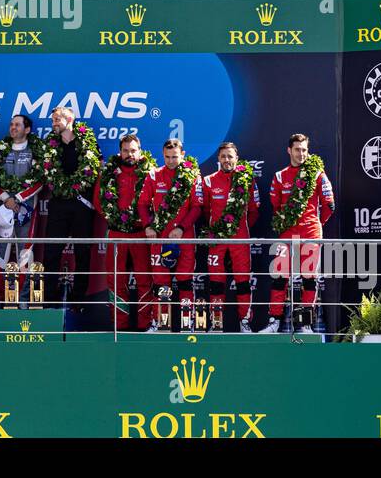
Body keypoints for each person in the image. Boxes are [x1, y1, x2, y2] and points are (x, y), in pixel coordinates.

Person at [261, 133, 334, 334]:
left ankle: (305, 324)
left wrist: (316, 224)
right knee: (280, 277)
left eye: (304, 150)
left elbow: (329, 205)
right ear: (289, 150)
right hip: (287, 234)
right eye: (297, 150)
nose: (301, 154)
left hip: (310, 233)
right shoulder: (279, 176)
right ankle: (274, 322)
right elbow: (275, 207)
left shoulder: (317, 174)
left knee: (309, 277)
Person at [41, 106, 102, 311]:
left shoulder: (87, 142)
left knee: (82, 253)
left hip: (82, 205)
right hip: (58, 203)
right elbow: (47, 171)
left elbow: (94, 170)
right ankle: (49, 300)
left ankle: (78, 302)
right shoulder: (51, 144)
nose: (54, 124)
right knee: (51, 252)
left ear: (70, 119)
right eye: (53, 121)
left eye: (57, 120)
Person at [138, 139, 203, 329]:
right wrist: (148, 226)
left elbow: (197, 207)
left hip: (184, 238)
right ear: (162, 154)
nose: (171, 161)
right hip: (159, 238)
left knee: (185, 283)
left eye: (175, 157)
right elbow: (142, 204)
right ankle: (160, 324)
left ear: (183, 154)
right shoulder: (153, 175)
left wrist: (181, 228)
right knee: (161, 286)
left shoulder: (192, 176)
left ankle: (187, 323)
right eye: (167, 157)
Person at [95, 134, 156, 331]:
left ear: (140, 151)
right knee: (116, 281)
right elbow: (98, 201)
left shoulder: (150, 173)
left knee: (145, 281)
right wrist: (113, 218)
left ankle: (145, 326)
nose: (129, 154)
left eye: (133, 150)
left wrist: (145, 223)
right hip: (117, 234)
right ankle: (118, 327)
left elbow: (158, 202)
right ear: (120, 151)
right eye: (125, 151)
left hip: (141, 234)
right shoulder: (109, 173)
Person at [201, 143, 260, 332]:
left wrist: (239, 230)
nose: (227, 160)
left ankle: (244, 322)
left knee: (243, 283)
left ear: (237, 158)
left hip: (239, 240)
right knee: (216, 284)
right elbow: (204, 211)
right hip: (217, 241)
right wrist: (219, 231)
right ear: (218, 159)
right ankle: (216, 324)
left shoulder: (247, 180)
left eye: (230, 156)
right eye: (223, 156)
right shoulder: (208, 181)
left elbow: (253, 211)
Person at [0, 114, 45, 303]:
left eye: (18, 125)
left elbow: (40, 180)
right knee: (0, 253)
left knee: (24, 253)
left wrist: (19, 199)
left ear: (27, 129)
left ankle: (22, 299)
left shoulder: (36, 151)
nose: (13, 127)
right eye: (11, 124)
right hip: (4, 209)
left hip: (27, 210)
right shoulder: (1, 150)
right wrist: (6, 198)